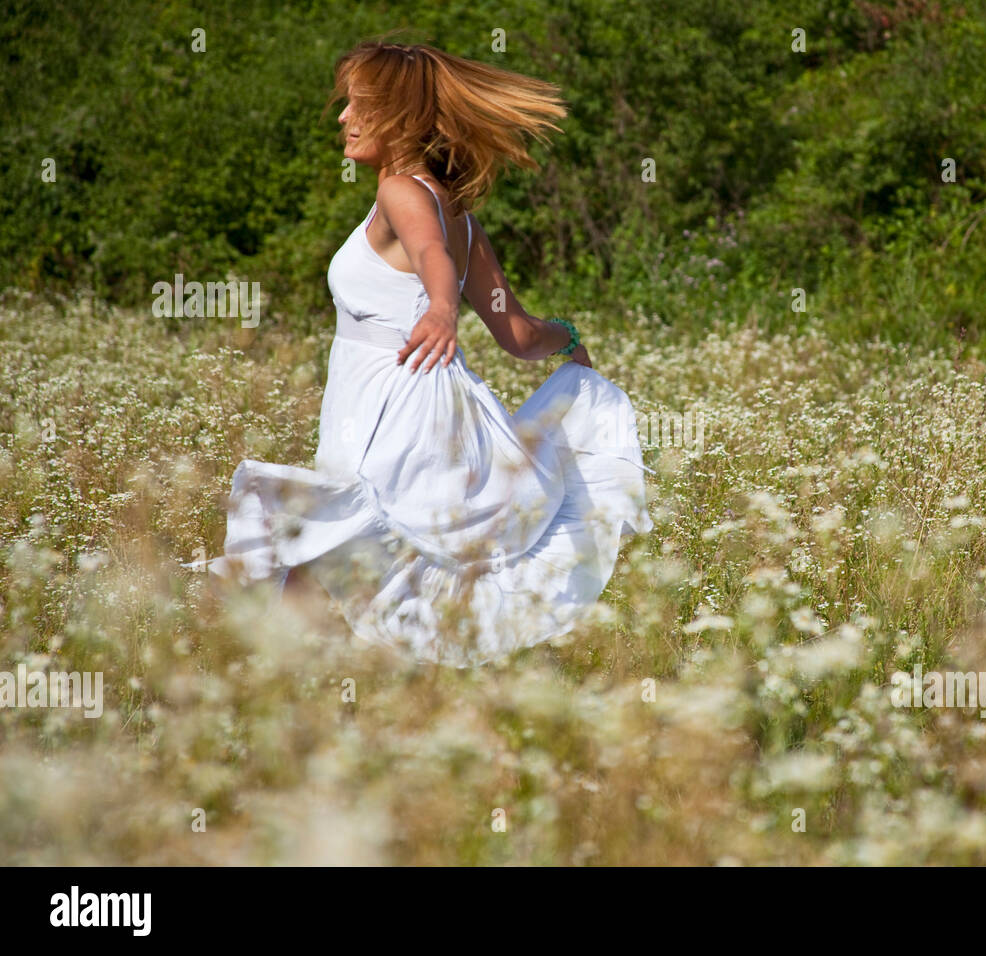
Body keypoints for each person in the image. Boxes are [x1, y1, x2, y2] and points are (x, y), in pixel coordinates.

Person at [194, 41, 653, 667]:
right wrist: (567, 339)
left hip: (391, 408)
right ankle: (312, 704)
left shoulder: (400, 192)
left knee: (326, 539)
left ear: (399, 116)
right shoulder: (460, 214)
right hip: (429, 404)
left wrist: (440, 307)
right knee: (334, 549)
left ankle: (285, 703)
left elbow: (431, 255)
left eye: (358, 105)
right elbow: (517, 333)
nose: (343, 118)